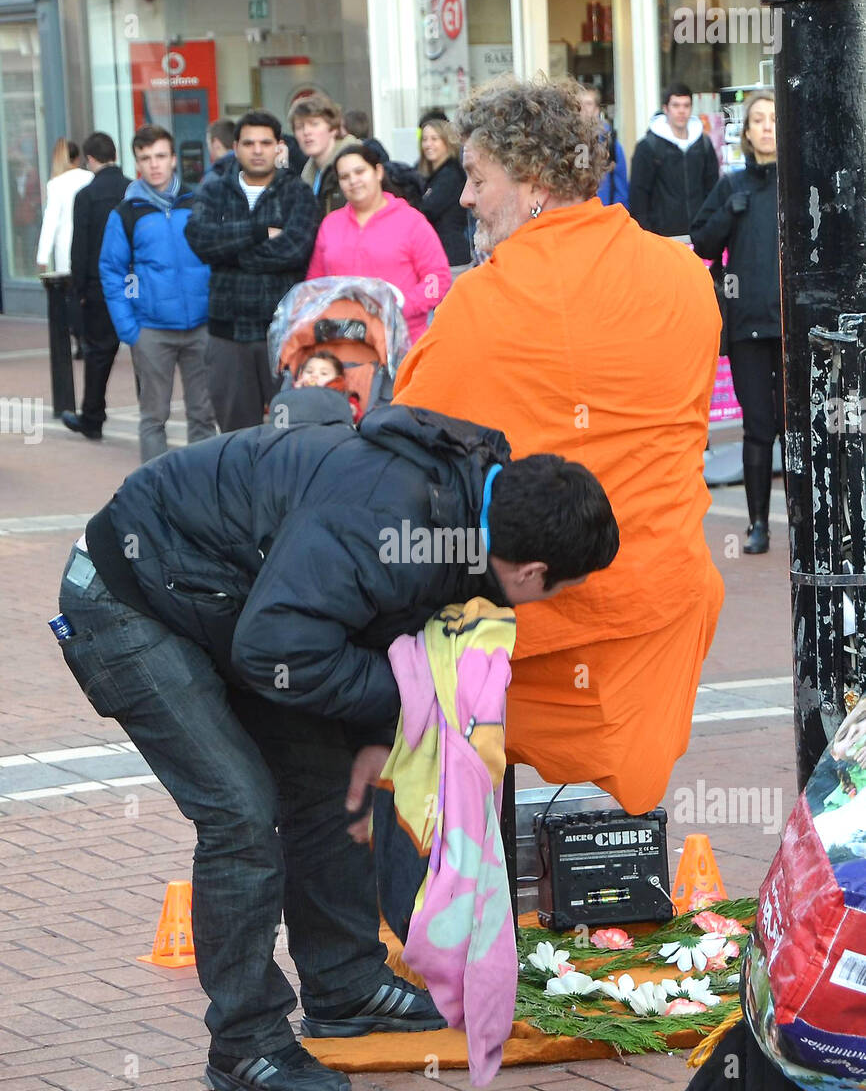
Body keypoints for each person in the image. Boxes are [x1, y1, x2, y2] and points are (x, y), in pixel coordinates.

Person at [55, 408, 619, 1091]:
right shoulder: (388, 525)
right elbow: (279, 650)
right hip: (127, 596)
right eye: (557, 589)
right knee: (240, 815)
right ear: (531, 569)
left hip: (230, 602)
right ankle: (244, 1045)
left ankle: (345, 986)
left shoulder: (468, 500)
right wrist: (411, 695)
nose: (550, 602)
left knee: (330, 788)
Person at [393, 75, 725, 813]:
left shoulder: (484, 302)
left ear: (534, 183)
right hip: (663, 603)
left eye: (478, 179)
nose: (466, 198)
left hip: (533, 625)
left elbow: (405, 440)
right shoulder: (682, 274)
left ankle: (463, 908)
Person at [184, 110, 319, 432]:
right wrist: (259, 233)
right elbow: (201, 241)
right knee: (235, 436)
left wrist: (230, 254)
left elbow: (295, 250)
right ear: (235, 147)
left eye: (264, 143)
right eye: (248, 143)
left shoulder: (297, 192)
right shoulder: (213, 190)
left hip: (282, 334)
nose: (257, 150)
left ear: (278, 147)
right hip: (228, 335)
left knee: (289, 431)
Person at [691, 91, 780, 556]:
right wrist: (730, 212)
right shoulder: (732, 186)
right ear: (745, 133)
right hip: (747, 325)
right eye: (758, 120)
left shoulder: (802, 182)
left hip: (793, 327)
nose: (767, 127)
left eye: (774, 119)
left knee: (797, 424)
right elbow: (703, 241)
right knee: (759, 426)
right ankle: (758, 524)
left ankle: (810, 522)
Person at [98, 124, 217, 463]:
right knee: (154, 418)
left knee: (203, 416)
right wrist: (129, 330)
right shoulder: (126, 213)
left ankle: (202, 488)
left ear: (174, 159)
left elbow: (216, 255)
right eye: (146, 158)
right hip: (151, 330)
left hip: (201, 326)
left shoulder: (197, 203)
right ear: (137, 163)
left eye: (161, 156)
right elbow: (112, 270)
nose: (154, 165)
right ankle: (154, 492)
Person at [306, 143, 451, 345]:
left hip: (401, 343)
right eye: (344, 177)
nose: (353, 181)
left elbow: (438, 280)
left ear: (378, 172)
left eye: (359, 171)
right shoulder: (330, 224)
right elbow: (315, 284)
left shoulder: (411, 221)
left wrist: (402, 306)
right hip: (344, 345)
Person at [63, 133, 131, 440]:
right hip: (135, 281)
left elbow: (81, 246)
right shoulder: (133, 189)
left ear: (90, 159)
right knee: (145, 352)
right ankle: (151, 415)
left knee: (98, 352)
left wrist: (78, 288)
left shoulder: (87, 196)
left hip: (99, 284)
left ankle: (92, 417)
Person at [629, 82, 719, 239]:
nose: (681, 111)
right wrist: (648, 234)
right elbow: (639, 195)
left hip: (699, 236)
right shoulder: (648, 147)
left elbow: (713, 190)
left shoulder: (703, 144)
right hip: (662, 238)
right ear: (666, 109)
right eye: (676, 105)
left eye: (686, 105)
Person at [417, 118, 471, 275]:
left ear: (446, 141)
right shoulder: (434, 175)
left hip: (451, 257)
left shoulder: (450, 175)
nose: (428, 145)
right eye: (425, 139)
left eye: (434, 139)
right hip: (442, 255)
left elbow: (427, 210)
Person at [291, 93, 355, 217]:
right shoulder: (308, 174)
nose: (306, 132)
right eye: (299, 127)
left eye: (314, 124)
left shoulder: (354, 166)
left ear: (333, 129)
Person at [36, 138, 93, 275]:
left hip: (66, 250)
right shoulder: (91, 177)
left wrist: (42, 257)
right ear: (78, 158)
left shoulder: (55, 184)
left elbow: (50, 222)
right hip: (91, 245)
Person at [575, 86, 628, 209]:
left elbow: (620, 187)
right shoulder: (568, 143)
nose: (583, 108)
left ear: (597, 109)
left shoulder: (610, 144)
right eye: (579, 104)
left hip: (605, 215)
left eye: (588, 103)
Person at [294, 349, 361, 422]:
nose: (314, 375)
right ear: (301, 375)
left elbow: (361, 420)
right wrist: (296, 394)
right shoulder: (293, 392)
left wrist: (354, 413)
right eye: (309, 372)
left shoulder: (346, 398)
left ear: (337, 379)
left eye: (324, 373)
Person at [198, 118, 236, 189]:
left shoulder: (212, 177)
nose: (209, 150)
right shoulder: (246, 170)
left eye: (208, 144)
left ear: (216, 143)